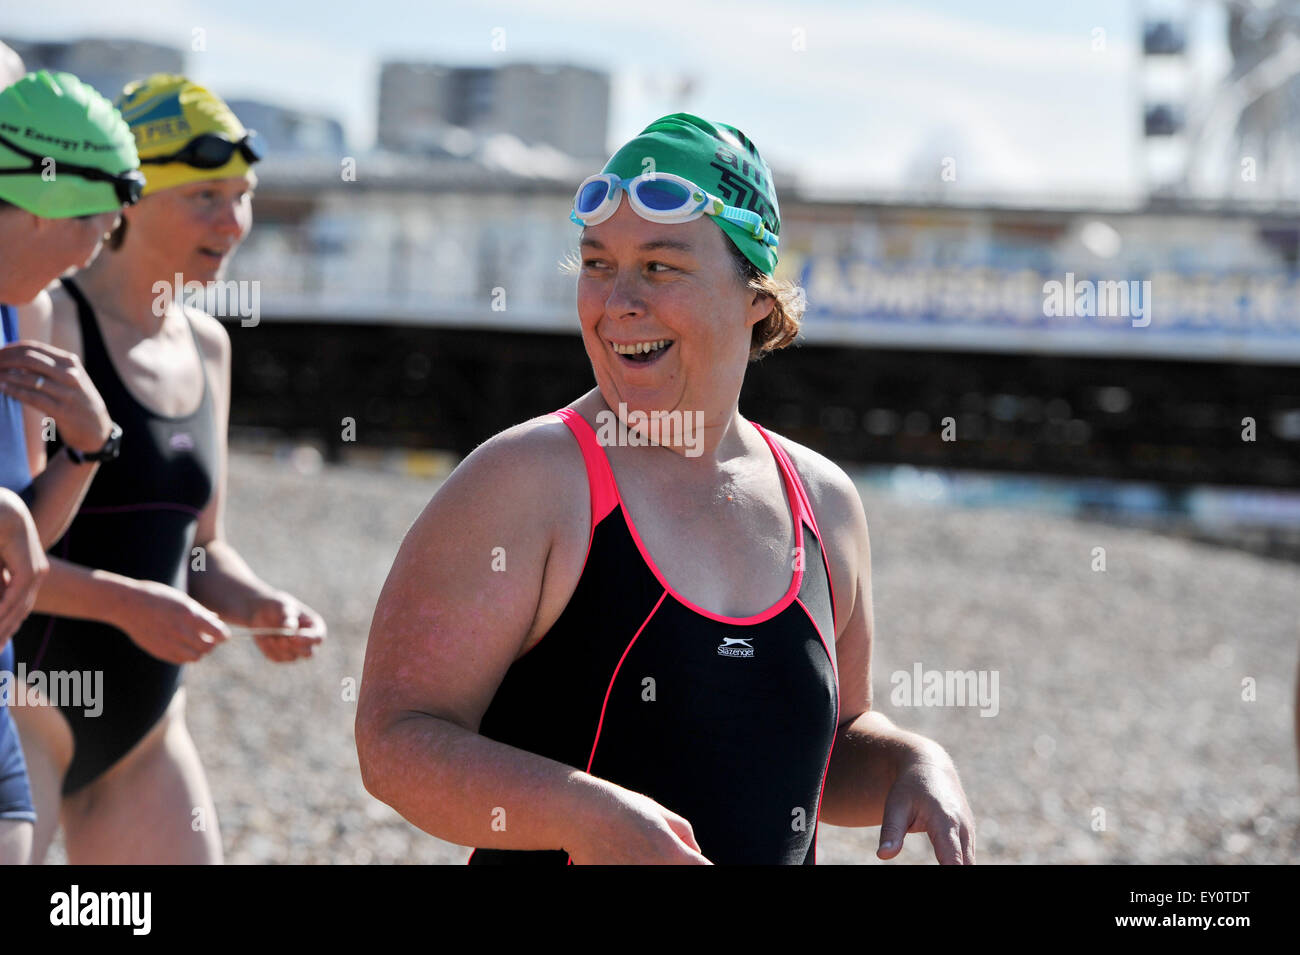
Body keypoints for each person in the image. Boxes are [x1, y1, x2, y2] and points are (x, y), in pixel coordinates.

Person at [356, 113, 976, 864]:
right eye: (596, 263)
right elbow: (396, 739)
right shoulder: (530, 479)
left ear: (758, 294)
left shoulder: (823, 503)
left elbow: (825, 748)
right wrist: (580, 812)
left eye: (659, 267)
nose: (617, 302)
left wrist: (911, 761)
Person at [10, 73, 324, 865]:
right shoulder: (50, 317)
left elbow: (200, 545)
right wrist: (127, 605)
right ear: (131, 199)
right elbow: (12, 543)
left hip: (147, 728)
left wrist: (261, 603)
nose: (235, 221)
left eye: (244, 196)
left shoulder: (210, 347)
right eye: (206, 196)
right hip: (30, 705)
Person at [0, 62, 143, 865]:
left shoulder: (28, 312)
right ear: (48, 209)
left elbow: (26, 553)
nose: (94, 254)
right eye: (101, 225)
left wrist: (90, 446)